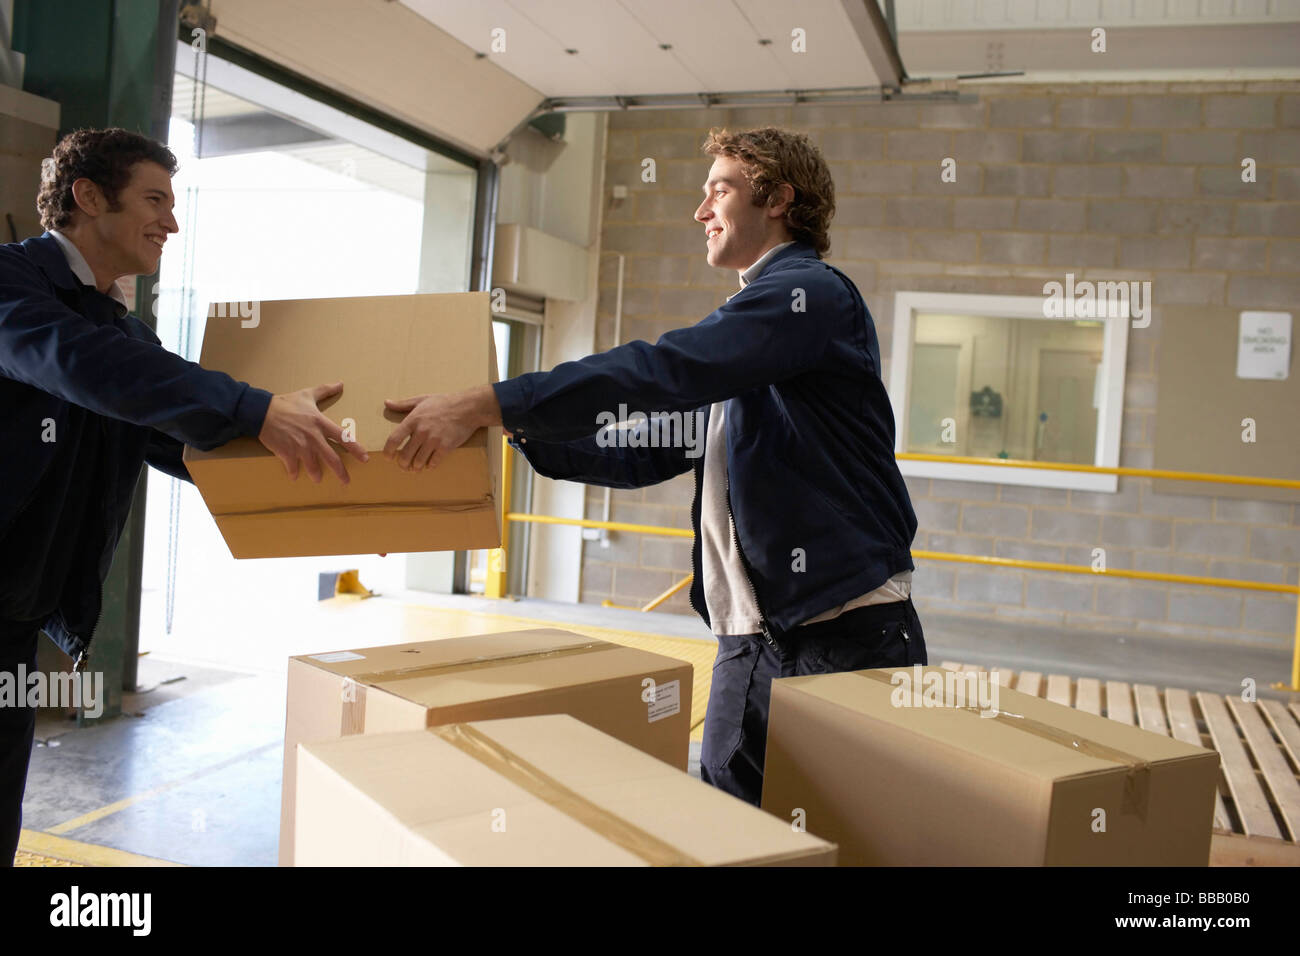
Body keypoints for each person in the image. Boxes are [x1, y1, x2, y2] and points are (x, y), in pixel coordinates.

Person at [381, 126, 926, 806]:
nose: (700, 212)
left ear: (780, 199)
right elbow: (646, 445)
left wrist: (487, 400)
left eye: (718, 191)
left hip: (841, 628)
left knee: (845, 830)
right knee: (732, 819)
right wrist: (509, 424)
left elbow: (665, 369)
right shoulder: (757, 332)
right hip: (751, 635)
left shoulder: (807, 298)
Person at [0, 127, 367, 864]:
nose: (171, 221)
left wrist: (354, 492)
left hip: (16, 609)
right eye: (155, 199)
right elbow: (83, 367)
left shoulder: (118, 328)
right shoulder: (16, 287)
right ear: (89, 197)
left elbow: (184, 440)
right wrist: (256, 407)